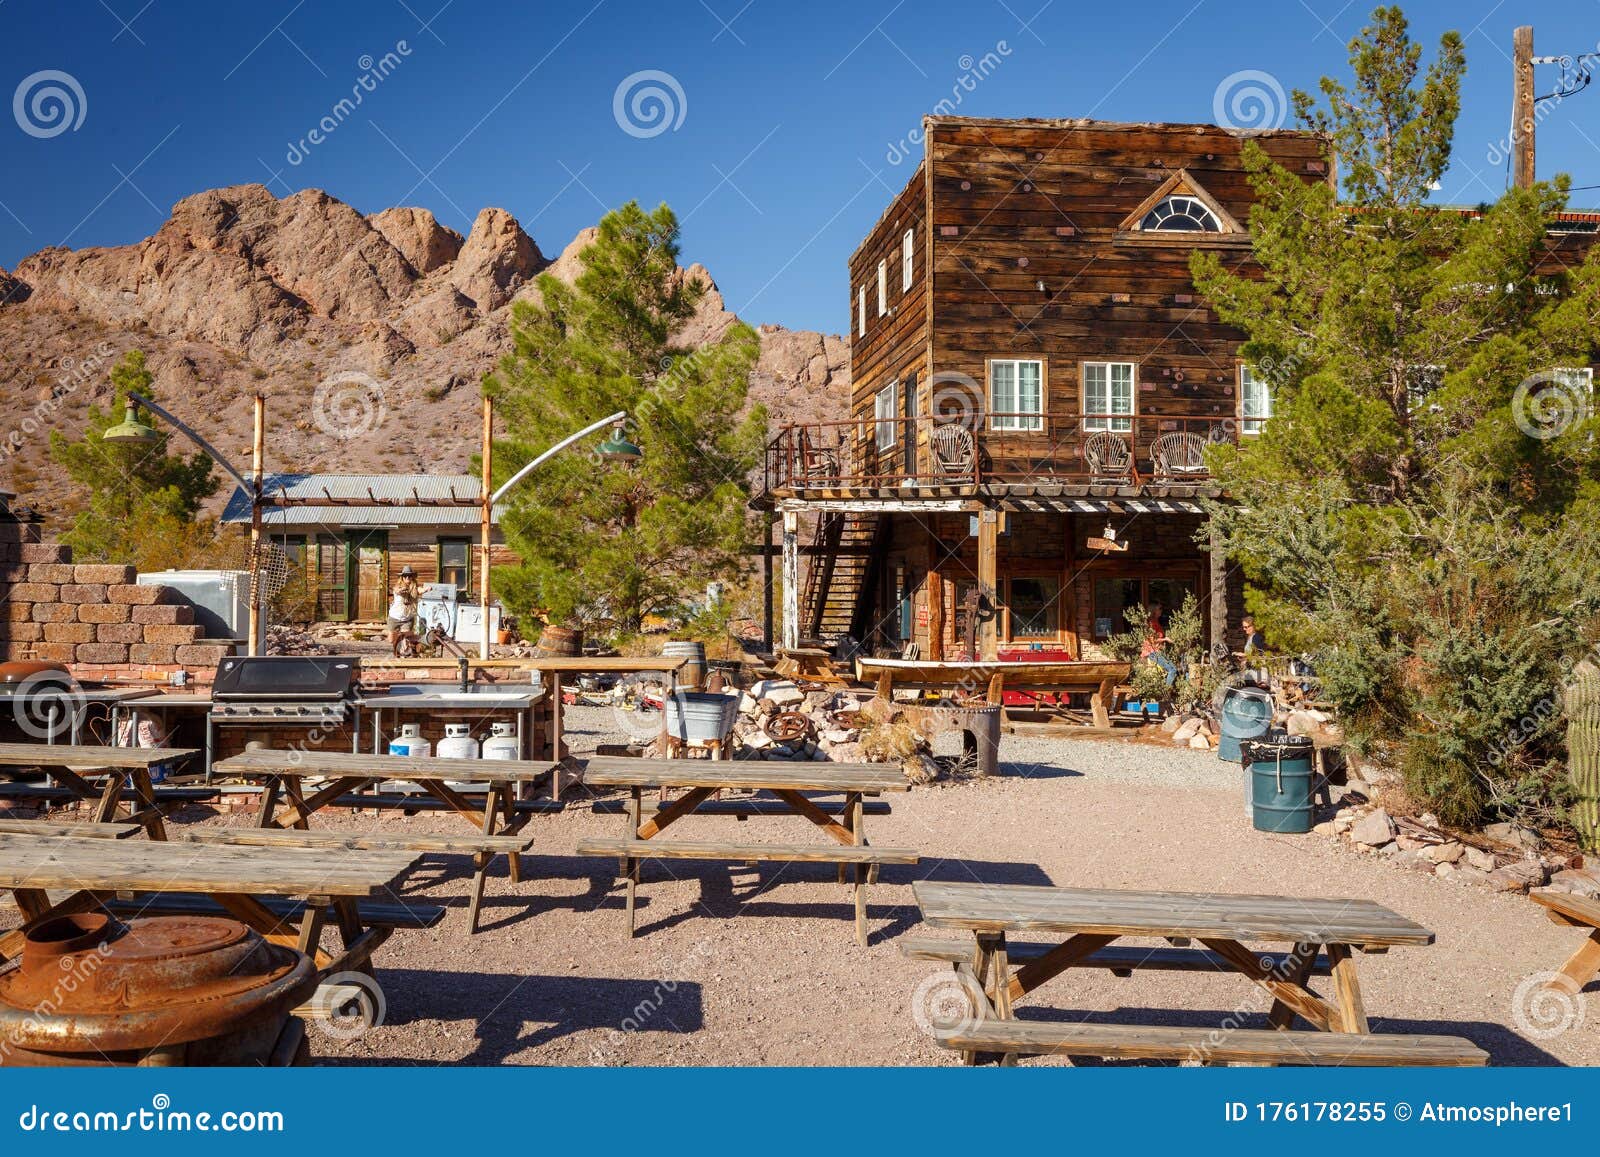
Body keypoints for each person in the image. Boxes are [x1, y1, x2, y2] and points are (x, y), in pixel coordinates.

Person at [1142, 601, 1179, 689]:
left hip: (1155, 652)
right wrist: (1165, 639)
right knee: (1172, 669)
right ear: (1154, 610)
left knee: (1169, 670)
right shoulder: (1151, 623)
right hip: (1152, 653)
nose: (1161, 611)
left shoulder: (1155, 622)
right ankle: (1166, 693)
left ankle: (1165, 692)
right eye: (1160, 609)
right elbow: (1152, 640)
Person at [387, 565, 420, 647]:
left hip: (407, 618)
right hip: (394, 617)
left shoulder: (414, 588)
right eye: (405, 576)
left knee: (407, 637)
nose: (407, 577)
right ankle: (398, 640)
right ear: (402, 577)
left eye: (409, 575)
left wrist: (427, 589)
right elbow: (397, 590)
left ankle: (404, 654)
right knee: (391, 640)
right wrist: (402, 590)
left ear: (412, 577)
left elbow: (420, 590)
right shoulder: (398, 586)